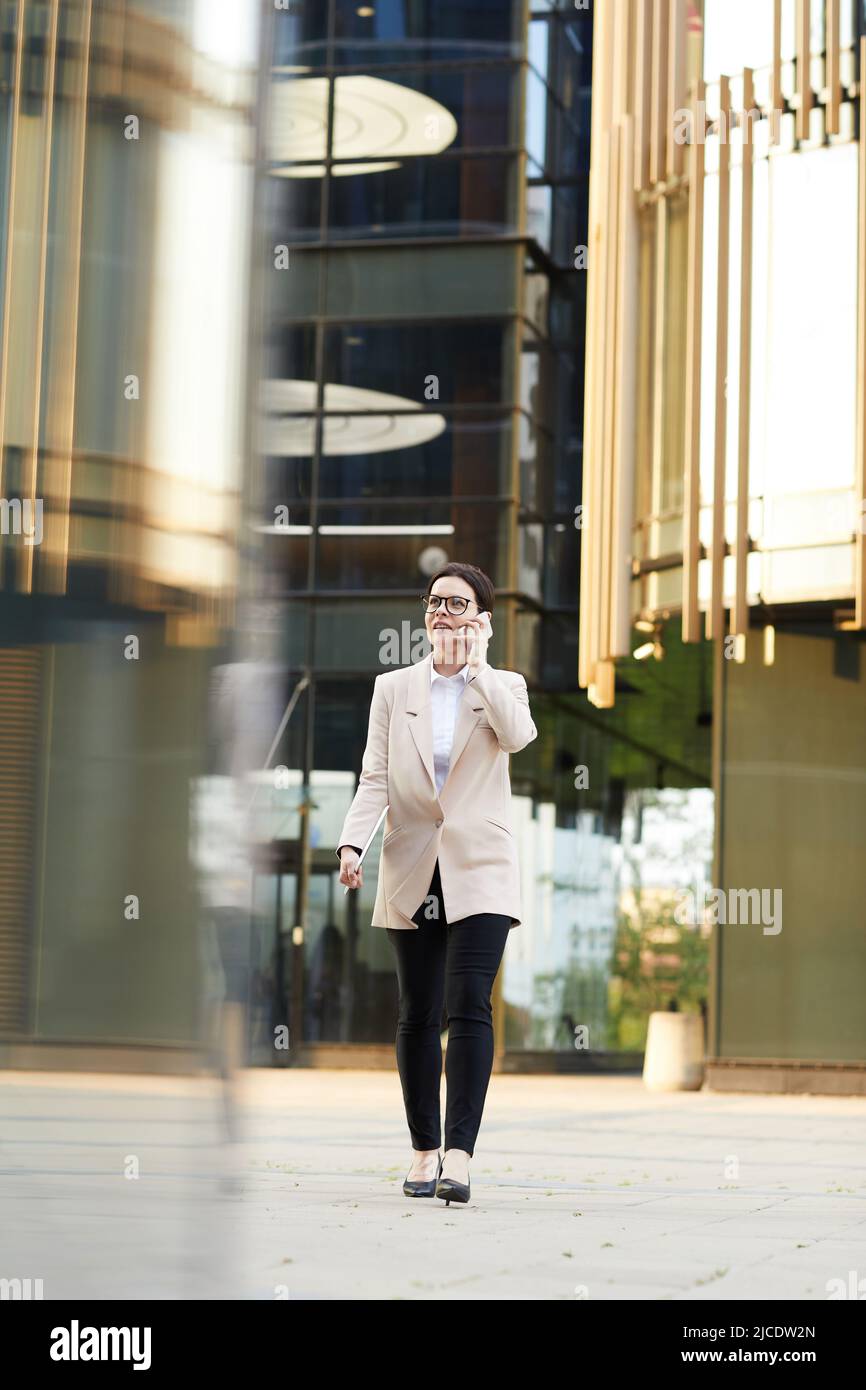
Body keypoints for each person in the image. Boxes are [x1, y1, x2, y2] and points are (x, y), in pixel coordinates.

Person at [336, 562, 537, 1205]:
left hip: (481, 867)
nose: (443, 612)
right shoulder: (394, 688)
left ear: (481, 618)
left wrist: (476, 666)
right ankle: (424, 1152)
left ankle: (461, 1155)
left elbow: (520, 736)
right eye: (435, 601)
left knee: (468, 1003)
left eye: (458, 603)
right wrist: (351, 842)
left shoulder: (503, 684)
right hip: (413, 862)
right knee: (418, 1013)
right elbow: (375, 777)